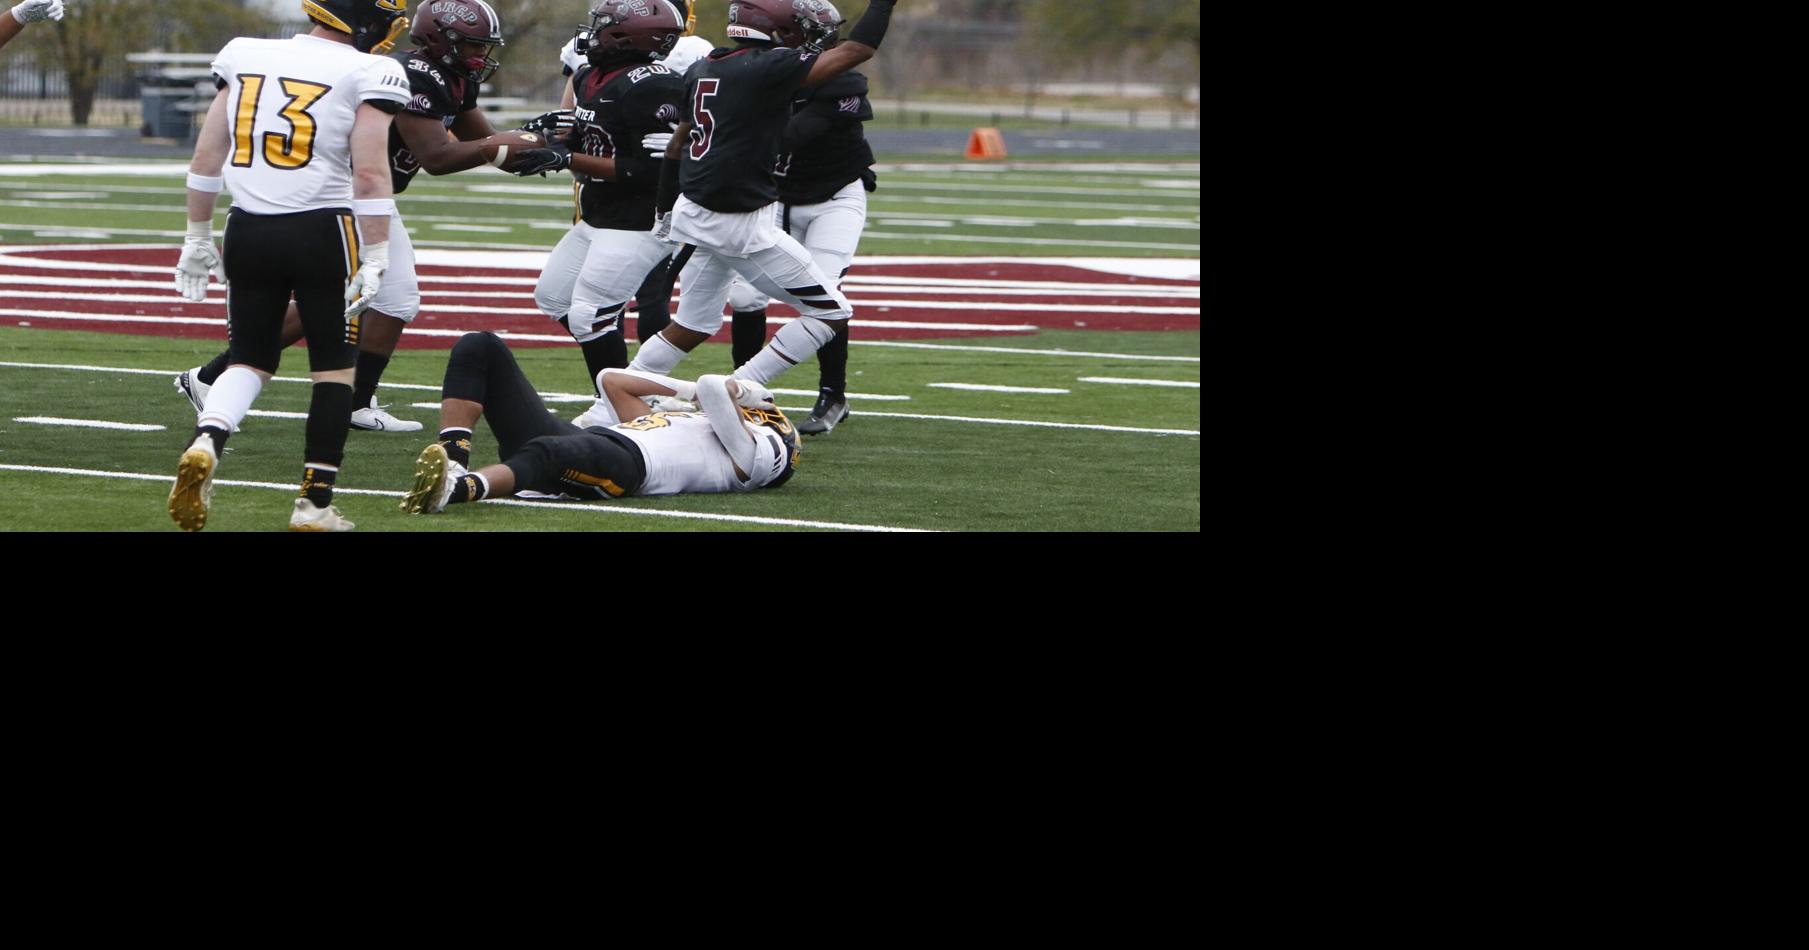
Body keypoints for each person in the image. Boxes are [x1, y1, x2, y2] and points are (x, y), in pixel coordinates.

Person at [173, 0, 518, 435]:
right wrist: (519, 143)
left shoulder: (448, 77)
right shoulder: (402, 73)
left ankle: (234, 382)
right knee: (357, 298)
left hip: (348, 199)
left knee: (385, 298)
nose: (478, 56)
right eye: (470, 45)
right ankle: (248, 392)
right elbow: (437, 156)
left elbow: (486, 141)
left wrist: (538, 140)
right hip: (345, 197)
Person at [166, 0, 412, 532]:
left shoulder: (245, 53)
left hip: (247, 227)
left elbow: (206, 158)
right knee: (333, 373)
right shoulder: (371, 69)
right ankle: (314, 505)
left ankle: (208, 438)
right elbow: (369, 174)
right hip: (324, 229)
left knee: (248, 361)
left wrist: (195, 236)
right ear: (368, 18)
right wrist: (377, 254)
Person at [625, 0, 897, 394]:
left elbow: (675, 148)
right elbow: (859, 50)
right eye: (802, 28)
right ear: (779, 31)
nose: (814, 38)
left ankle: (614, 397)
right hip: (737, 222)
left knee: (693, 323)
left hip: (694, 212)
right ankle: (739, 387)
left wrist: (664, 210)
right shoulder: (767, 67)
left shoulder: (706, 66)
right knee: (832, 311)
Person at [398, 331, 798, 514]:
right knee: (480, 346)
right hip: (602, 446)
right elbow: (611, 379)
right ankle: (452, 461)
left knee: (550, 452)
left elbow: (712, 387)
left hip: (629, 469)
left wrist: (742, 392)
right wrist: (688, 395)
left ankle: (455, 491)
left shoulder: (751, 460)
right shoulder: (699, 430)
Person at [525, 0, 689, 425]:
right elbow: (584, 133)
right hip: (601, 212)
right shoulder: (590, 75)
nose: (594, 33)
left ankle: (617, 408)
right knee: (555, 296)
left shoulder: (654, 85)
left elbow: (647, 170)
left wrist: (565, 159)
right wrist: (550, 133)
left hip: (641, 218)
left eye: (606, 27)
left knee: (590, 314)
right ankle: (632, 388)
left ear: (629, 37)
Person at [722, 57, 877, 435]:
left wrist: (732, 130)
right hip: (774, 198)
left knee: (824, 297)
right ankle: (748, 393)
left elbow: (793, 133)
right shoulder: (757, 69)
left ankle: (833, 395)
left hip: (835, 197)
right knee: (745, 298)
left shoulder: (843, 81)